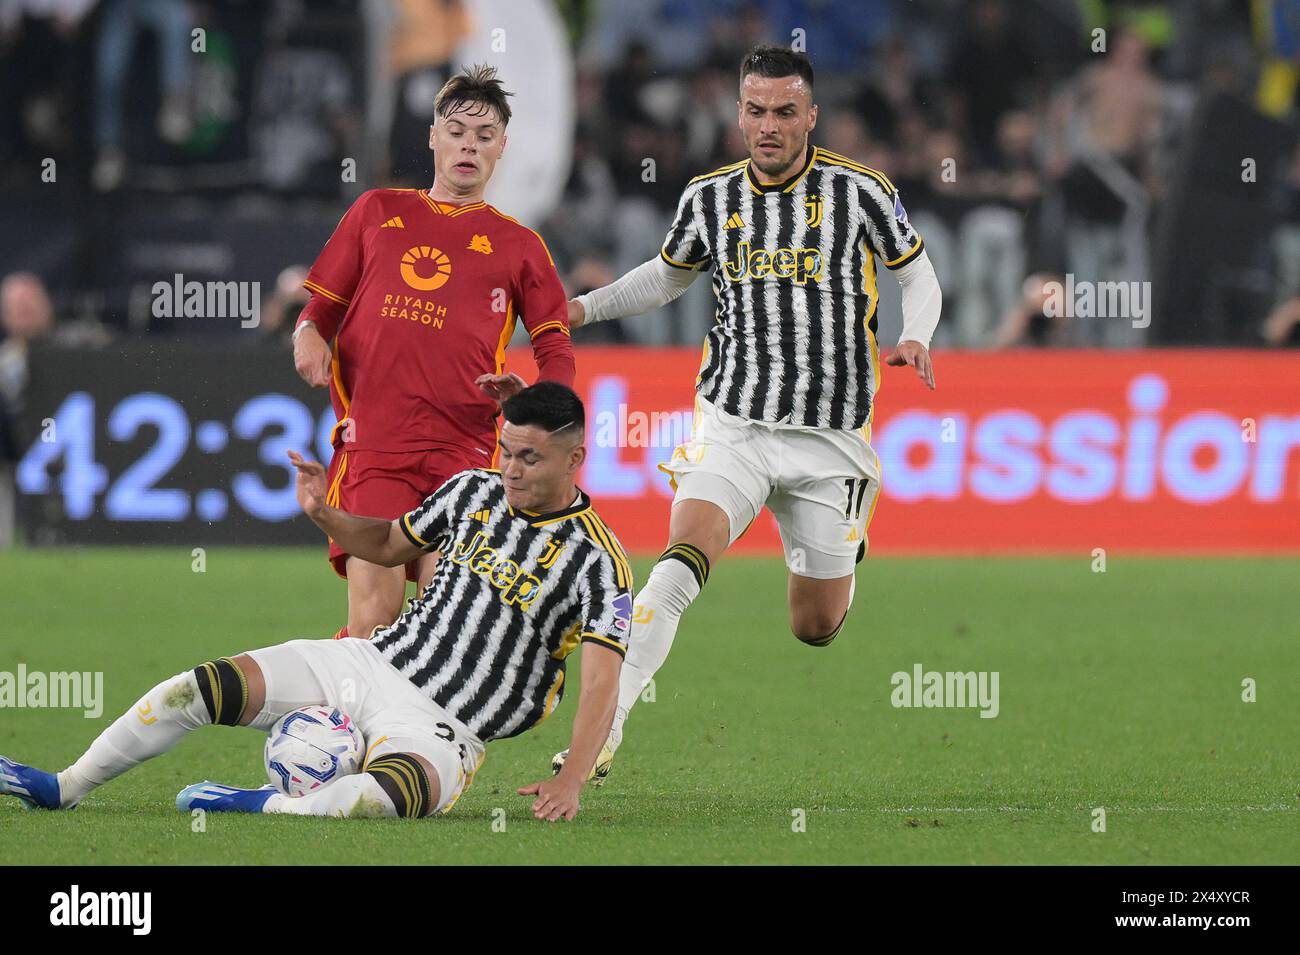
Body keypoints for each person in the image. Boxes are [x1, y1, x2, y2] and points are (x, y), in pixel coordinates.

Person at [555, 45, 942, 782]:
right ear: (739, 114)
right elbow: (666, 278)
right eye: (756, 111)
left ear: (812, 116)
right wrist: (584, 307)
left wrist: (916, 332)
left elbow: (917, 272)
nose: (769, 126)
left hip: (830, 440)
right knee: (677, 564)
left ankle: (841, 549)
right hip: (735, 423)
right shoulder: (708, 198)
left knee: (815, 625)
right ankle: (603, 729)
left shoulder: (860, 192)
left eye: (785, 112)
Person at [1, 384, 632, 822]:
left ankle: (258, 803)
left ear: (576, 457)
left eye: (530, 458)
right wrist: (326, 514)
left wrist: (571, 777)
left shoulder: (599, 562)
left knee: (380, 801)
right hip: (369, 661)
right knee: (195, 689)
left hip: (449, 726)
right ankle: (67, 786)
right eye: (505, 452)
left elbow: (602, 683)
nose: (511, 470)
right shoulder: (472, 490)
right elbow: (388, 543)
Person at [290, 64, 575, 641]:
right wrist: (307, 335)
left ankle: (411, 731)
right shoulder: (375, 211)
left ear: (502, 148)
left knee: (446, 628)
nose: (469, 144)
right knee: (374, 622)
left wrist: (539, 407)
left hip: (465, 452)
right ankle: (336, 724)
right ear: (432, 137)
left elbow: (555, 345)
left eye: (484, 135)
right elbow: (320, 309)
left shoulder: (521, 245)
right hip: (376, 441)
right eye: (457, 130)